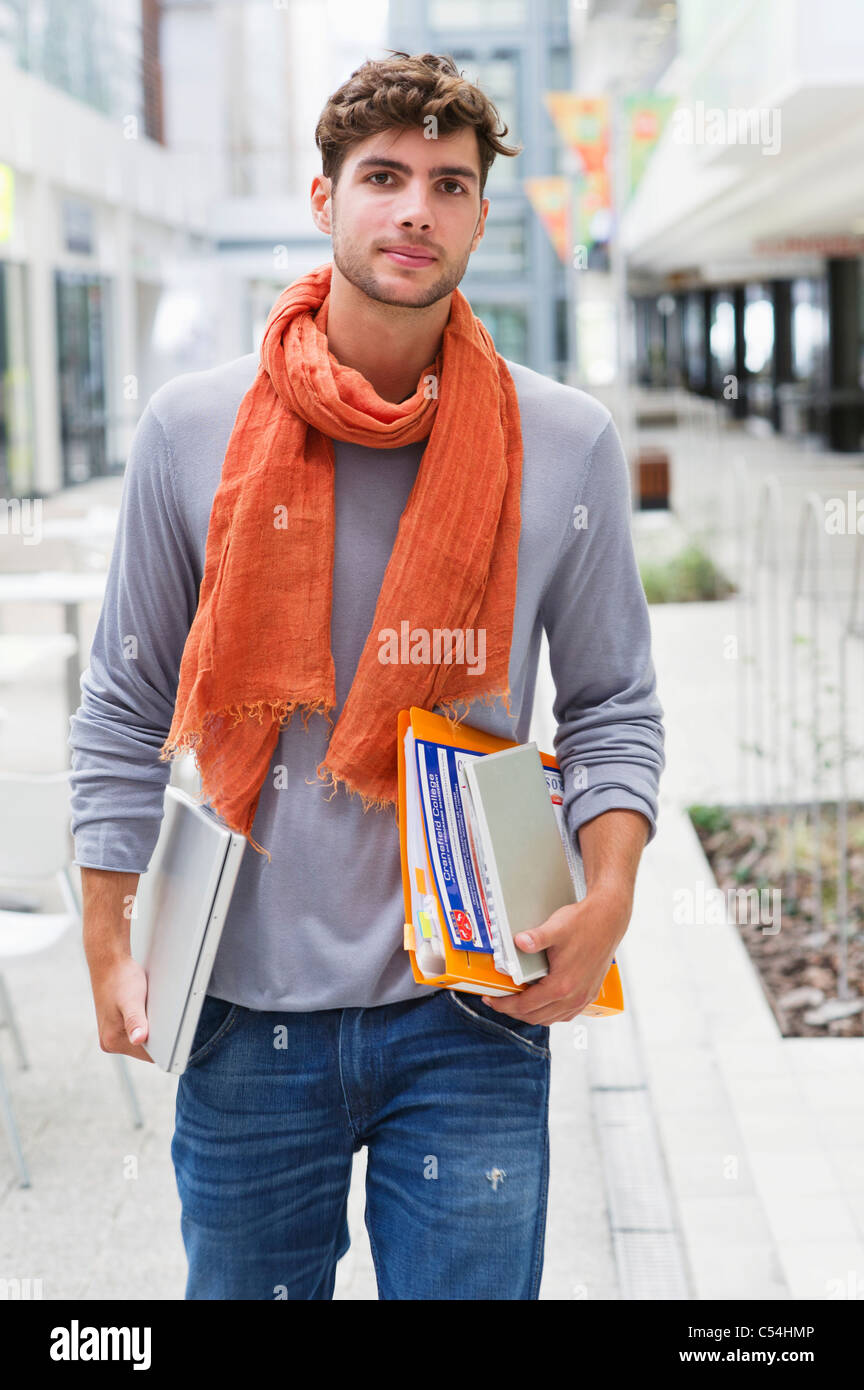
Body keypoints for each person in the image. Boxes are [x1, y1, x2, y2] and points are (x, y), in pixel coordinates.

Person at [70, 51, 665, 1301]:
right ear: (324, 198)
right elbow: (124, 706)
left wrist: (607, 896)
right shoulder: (193, 429)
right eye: (384, 176)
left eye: (449, 184)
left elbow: (612, 702)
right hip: (243, 1004)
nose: (415, 210)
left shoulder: (566, 442)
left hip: (470, 1007)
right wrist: (108, 936)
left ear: (483, 218)